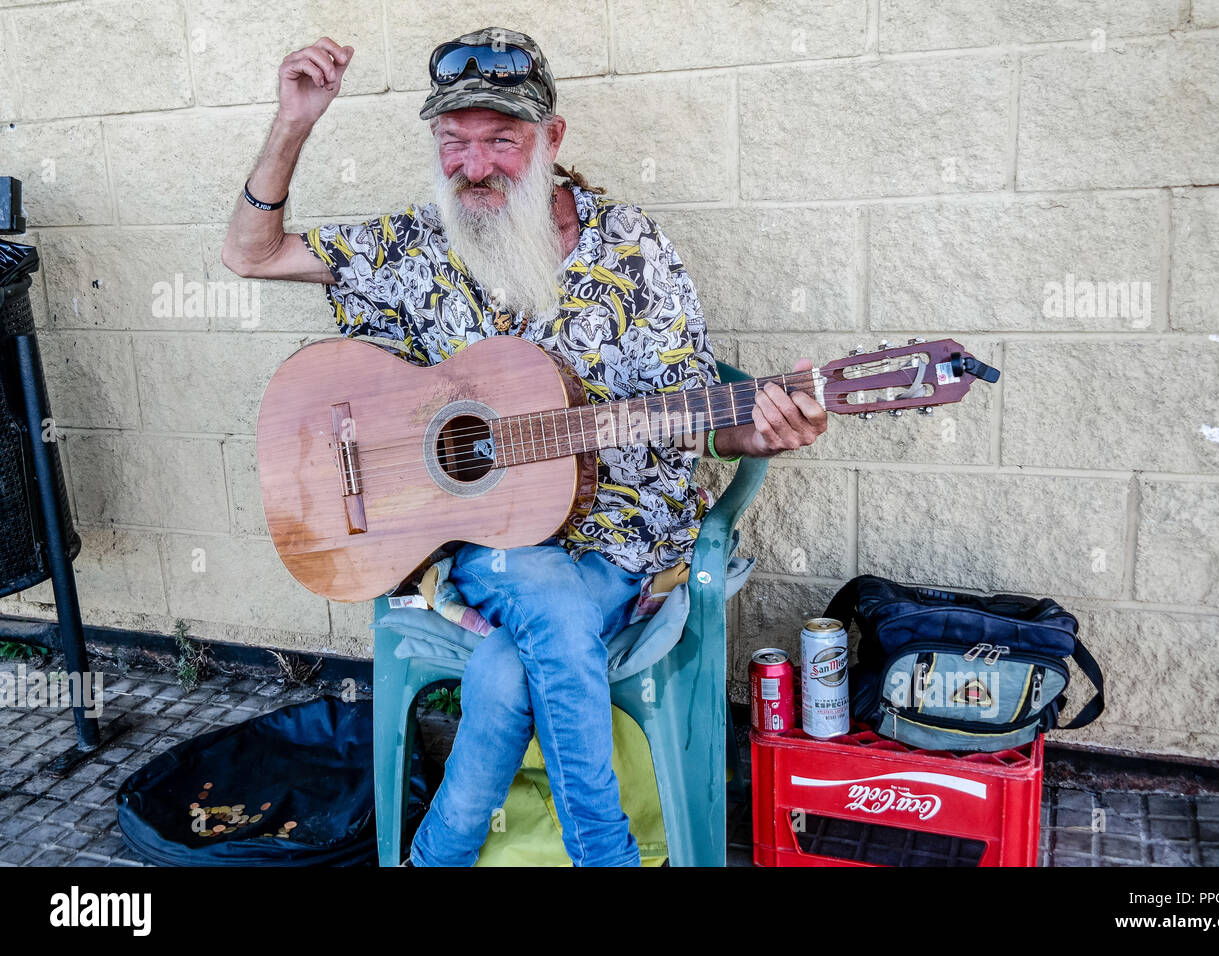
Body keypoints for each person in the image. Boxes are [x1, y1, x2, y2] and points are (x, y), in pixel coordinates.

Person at [223, 27, 828, 867]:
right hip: (478, 541)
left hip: (620, 544)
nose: (474, 165)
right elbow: (248, 253)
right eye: (454, 141)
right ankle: (604, 854)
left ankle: (433, 858)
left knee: (508, 674)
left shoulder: (633, 249)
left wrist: (761, 427)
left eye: (502, 140)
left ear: (552, 139)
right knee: (535, 575)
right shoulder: (412, 248)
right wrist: (294, 119)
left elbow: (702, 416)